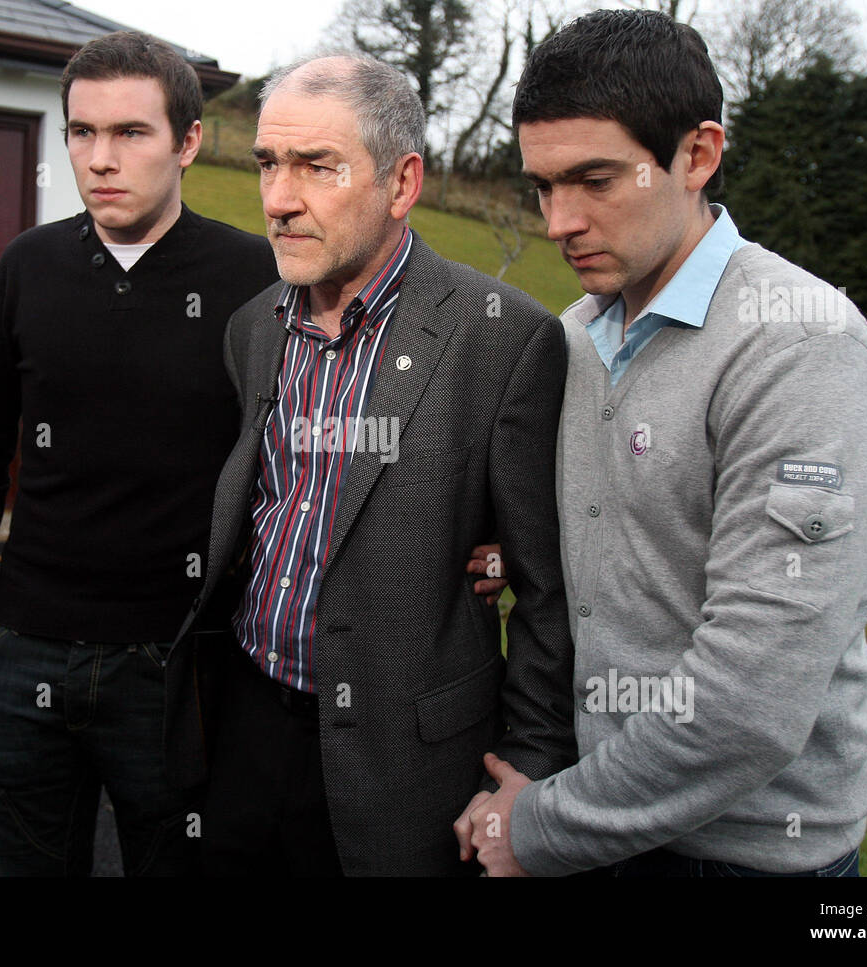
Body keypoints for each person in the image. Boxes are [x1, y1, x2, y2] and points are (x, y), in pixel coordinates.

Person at [455, 9, 867, 877]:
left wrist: (540, 828)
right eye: (543, 186)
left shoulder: (803, 345)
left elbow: (752, 700)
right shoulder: (576, 337)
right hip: (600, 816)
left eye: (593, 180)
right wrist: (515, 555)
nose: (558, 222)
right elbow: (625, 538)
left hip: (745, 853)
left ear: (696, 156)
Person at [165, 53, 576, 876]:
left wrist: (528, 767)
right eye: (270, 165)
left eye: (318, 167)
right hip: (242, 716)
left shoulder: (503, 337)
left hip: (403, 760)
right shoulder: (254, 326)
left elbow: (548, 589)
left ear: (401, 182)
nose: (279, 200)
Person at [0, 30, 279, 875]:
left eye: (130, 133)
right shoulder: (28, 265)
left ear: (189, 141)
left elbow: (293, 455)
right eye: (81, 133)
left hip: (177, 669)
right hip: (19, 652)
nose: (101, 158)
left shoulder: (256, 279)